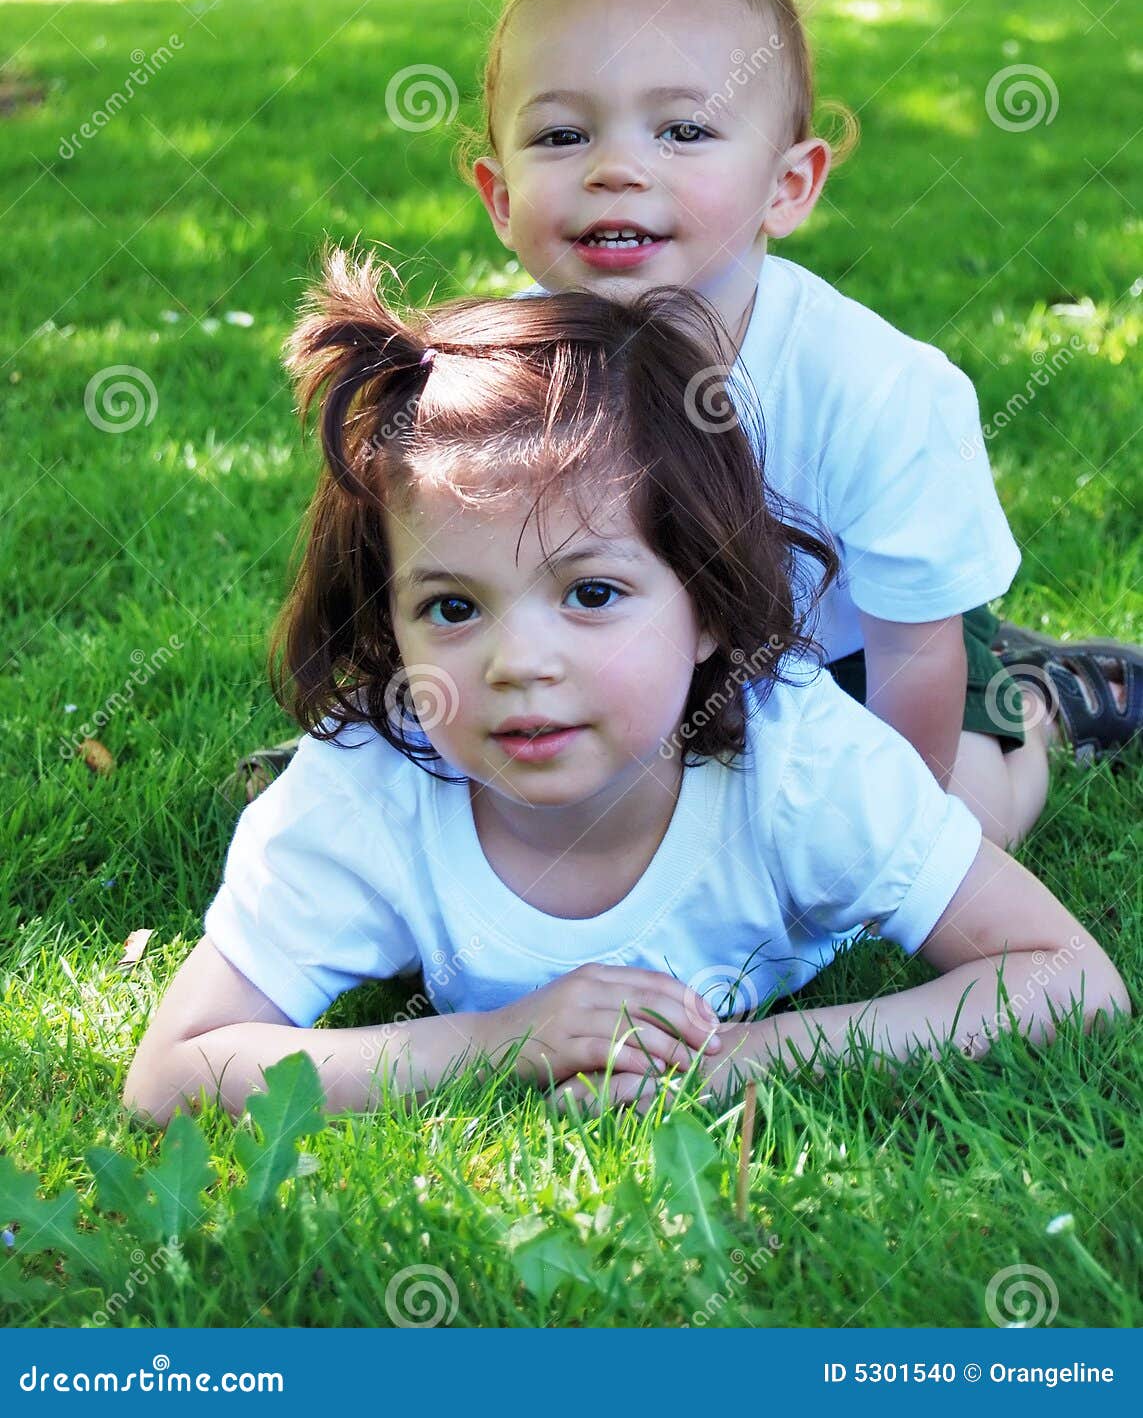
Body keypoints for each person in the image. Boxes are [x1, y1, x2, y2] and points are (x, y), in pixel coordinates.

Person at [124, 259, 1128, 1126]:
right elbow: (173, 1069)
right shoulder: (363, 794)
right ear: (387, 622)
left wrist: (731, 1060)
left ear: (708, 607)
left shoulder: (803, 765)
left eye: (591, 592)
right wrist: (498, 1040)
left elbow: (1067, 977)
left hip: (829, 754)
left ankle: (1034, 698)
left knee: (978, 805)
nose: (518, 662)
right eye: (451, 607)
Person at [456, 0, 1143, 849]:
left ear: (788, 186)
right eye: (561, 136)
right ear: (498, 195)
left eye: (682, 132)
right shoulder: (483, 386)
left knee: (966, 830)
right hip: (644, 670)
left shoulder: (873, 388)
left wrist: (893, 842)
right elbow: (446, 581)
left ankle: (1039, 703)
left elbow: (914, 657)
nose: (615, 167)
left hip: (868, 658)